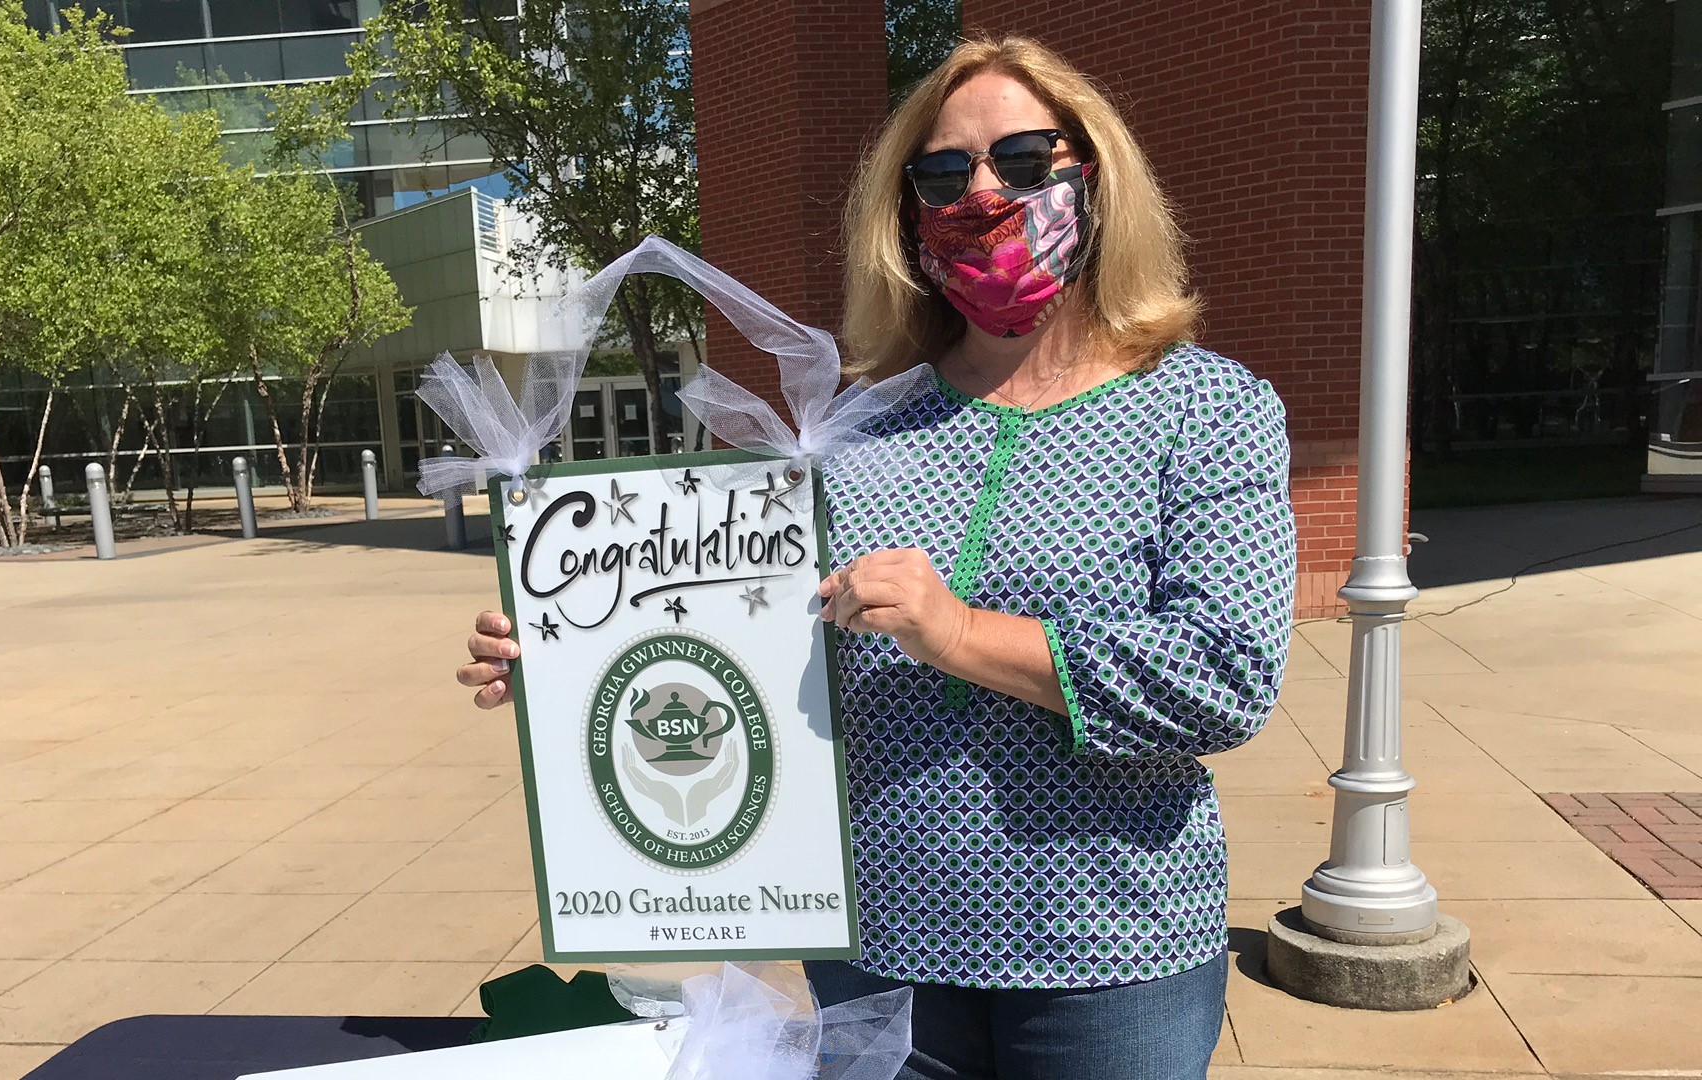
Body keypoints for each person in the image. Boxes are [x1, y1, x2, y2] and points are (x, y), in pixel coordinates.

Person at [457, 34, 1295, 1080]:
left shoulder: (1206, 408)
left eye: (1025, 161)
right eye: (943, 174)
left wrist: (958, 633)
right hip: (879, 947)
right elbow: (756, 633)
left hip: (1110, 951)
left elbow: (1226, 674)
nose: (983, 193)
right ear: (907, 217)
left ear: (1095, 174)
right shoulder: (858, 425)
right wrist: (578, 657)